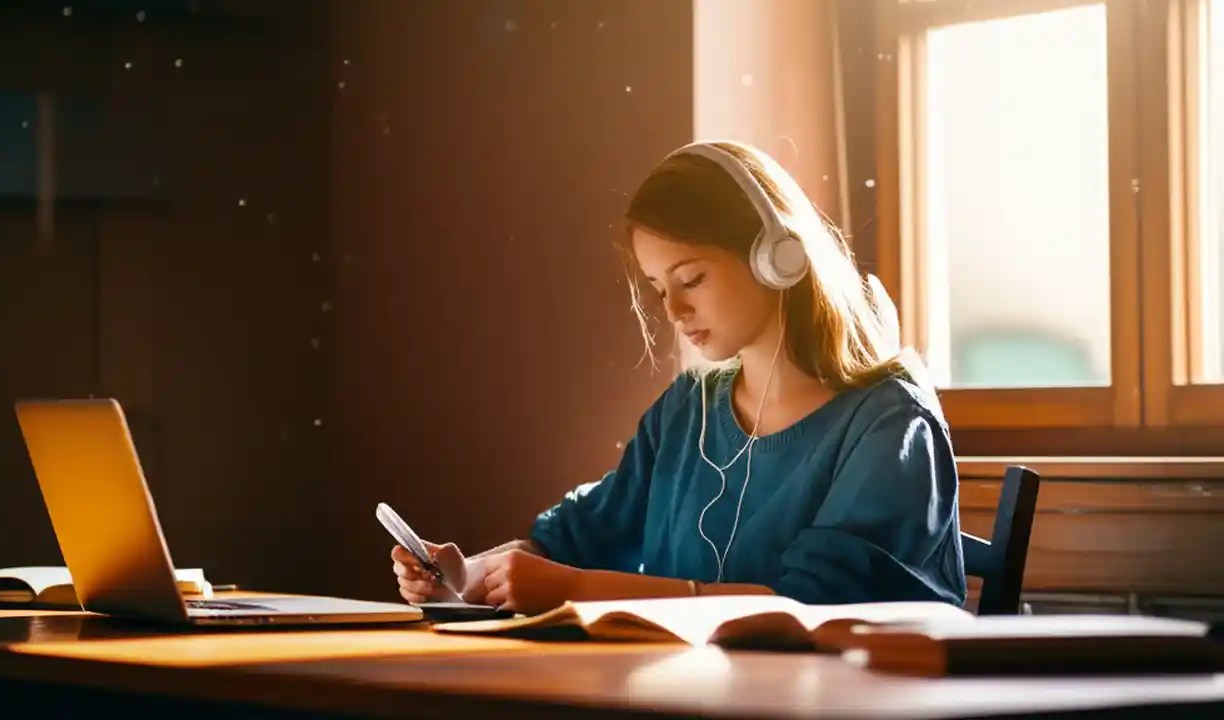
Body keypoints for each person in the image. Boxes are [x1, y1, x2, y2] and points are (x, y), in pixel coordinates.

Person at [391, 140, 965, 615]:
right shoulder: (688, 408)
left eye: (691, 279)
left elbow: (812, 611)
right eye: (659, 287)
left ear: (777, 255)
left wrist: (577, 590)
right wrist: (469, 577)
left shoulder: (889, 424)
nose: (672, 311)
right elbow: (576, 538)